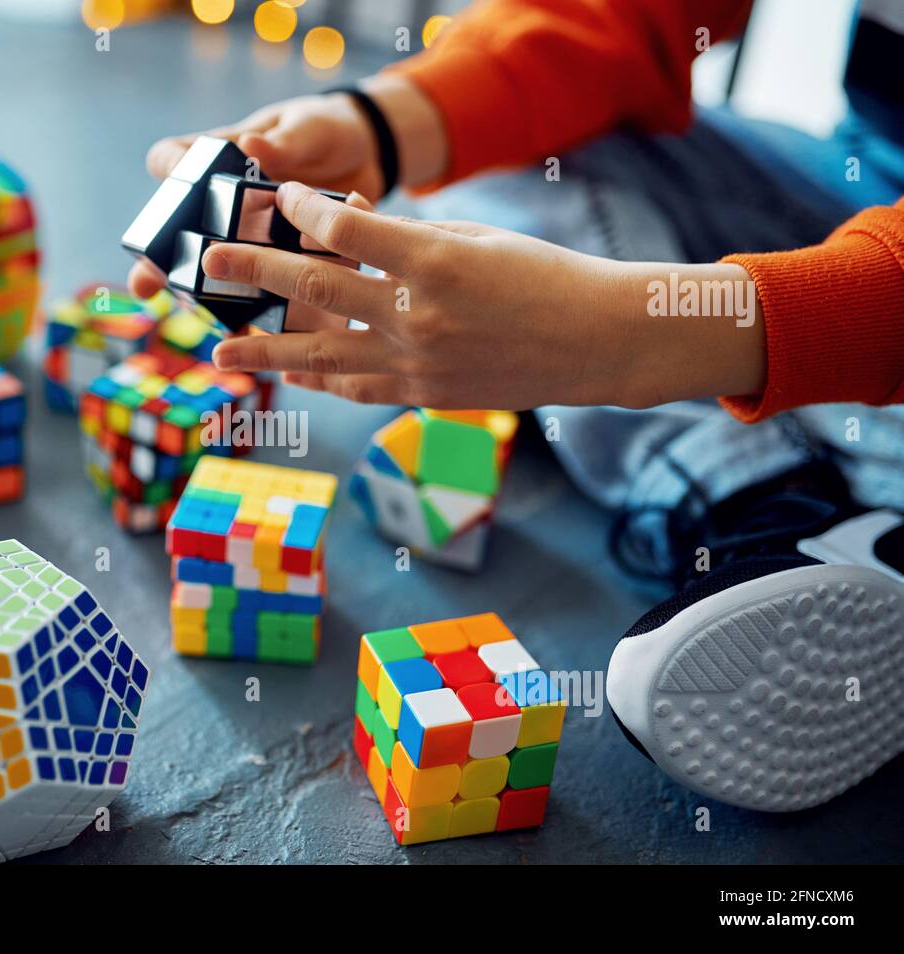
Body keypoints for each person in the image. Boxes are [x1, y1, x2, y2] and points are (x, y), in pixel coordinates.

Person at [129, 0, 904, 813]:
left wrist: (629, 335)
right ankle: (815, 454)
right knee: (492, 149)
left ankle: (778, 494)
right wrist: (380, 125)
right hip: (855, 184)